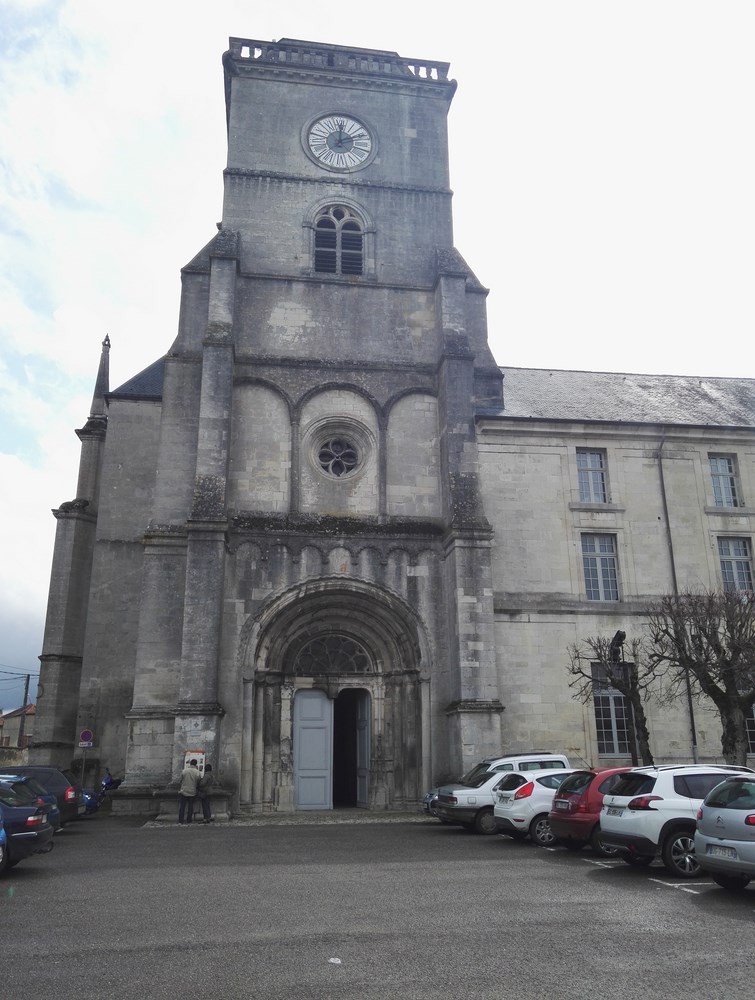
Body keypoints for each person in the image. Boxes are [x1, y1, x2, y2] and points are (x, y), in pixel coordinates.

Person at [178, 758, 201, 824]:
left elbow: (180, 780)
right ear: (196, 764)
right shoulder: (197, 772)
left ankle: (181, 820)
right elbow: (198, 781)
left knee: (182, 806)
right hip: (192, 791)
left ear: (190, 763)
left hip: (184, 790)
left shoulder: (184, 771)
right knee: (190, 806)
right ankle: (189, 819)